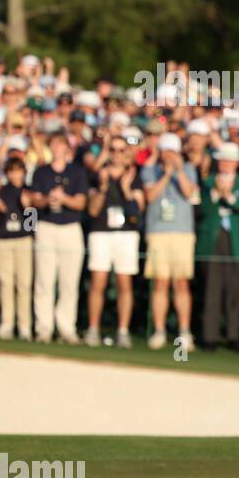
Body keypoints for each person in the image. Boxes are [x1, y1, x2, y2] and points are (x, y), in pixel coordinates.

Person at [84, 134, 145, 347]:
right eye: (113, 150)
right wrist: (102, 187)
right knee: (98, 281)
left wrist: (127, 189)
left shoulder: (134, 176)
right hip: (101, 232)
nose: (117, 155)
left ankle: (123, 330)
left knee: (124, 283)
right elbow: (92, 210)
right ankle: (93, 328)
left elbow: (137, 214)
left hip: (126, 234)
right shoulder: (97, 176)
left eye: (121, 150)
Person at [141, 132, 200, 350]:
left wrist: (180, 171)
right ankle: (159, 330)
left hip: (182, 233)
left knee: (181, 283)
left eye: (173, 151)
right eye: (166, 151)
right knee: (160, 283)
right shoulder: (150, 170)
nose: (169, 155)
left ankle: (184, 332)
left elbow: (188, 193)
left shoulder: (189, 170)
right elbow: (150, 197)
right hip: (158, 232)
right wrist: (165, 175)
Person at [30, 130, 88, 344]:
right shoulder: (41, 172)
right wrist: (48, 200)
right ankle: (43, 327)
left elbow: (81, 203)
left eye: (60, 144)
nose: (56, 148)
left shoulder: (77, 172)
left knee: (69, 282)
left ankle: (66, 327)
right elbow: (34, 202)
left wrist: (64, 198)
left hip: (70, 228)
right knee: (44, 280)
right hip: (46, 226)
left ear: (67, 148)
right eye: (53, 144)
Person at [196, 143, 239, 349]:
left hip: (236, 240)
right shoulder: (208, 181)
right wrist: (215, 193)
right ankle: (209, 336)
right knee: (212, 289)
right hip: (213, 238)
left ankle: (233, 335)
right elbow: (201, 208)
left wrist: (228, 197)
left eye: (229, 160)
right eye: (222, 160)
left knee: (235, 290)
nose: (225, 164)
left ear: (237, 163)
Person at [0, 156, 34, 339]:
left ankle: (24, 325)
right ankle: (7, 323)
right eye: (12, 171)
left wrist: (27, 207)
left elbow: (33, 225)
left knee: (24, 284)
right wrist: (0, 209)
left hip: (23, 241)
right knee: (6, 283)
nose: (16, 175)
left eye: (19, 171)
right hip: (4, 240)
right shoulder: (1, 191)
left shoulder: (28, 191)